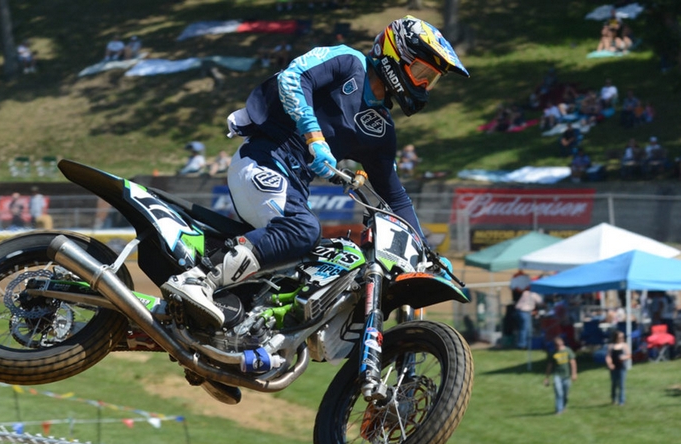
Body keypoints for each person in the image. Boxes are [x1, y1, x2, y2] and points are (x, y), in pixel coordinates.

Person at [161, 16, 466, 328]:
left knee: (336, 261)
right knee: (303, 230)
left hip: (292, 188)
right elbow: (293, 78)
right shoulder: (348, 61)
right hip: (262, 160)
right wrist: (314, 137)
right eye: (422, 73)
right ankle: (197, 281)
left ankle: (252, 326)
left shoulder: (381, 129)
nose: (424, 86)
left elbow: (395, 197)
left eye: (431, 80)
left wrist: (426, 253)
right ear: (396, 53)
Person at [544, 336, 578, 414]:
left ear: (562, 343)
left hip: (566, 375)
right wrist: (547, 377)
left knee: (565, 394)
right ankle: (558, 410)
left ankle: (564, 406)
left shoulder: (568, 351)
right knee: (559, 392)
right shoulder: (553, 353)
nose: (559, 346)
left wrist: (574, 373)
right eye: (557, 345)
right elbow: (549, 366)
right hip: (557, 375)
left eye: (560, 344)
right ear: (555, 345)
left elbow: (573, 362)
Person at [605, 330, 629, 405]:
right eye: (620, 337)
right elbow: (608, 356)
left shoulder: (624, 345)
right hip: (613, 367)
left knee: (621, 384)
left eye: (623, 337)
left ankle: (621, 401)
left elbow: (629, 355)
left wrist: (624, 357)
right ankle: (614, 398)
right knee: (614, 384)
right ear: (616, 338)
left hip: (622, 367)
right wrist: (610, 364)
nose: (622, 338)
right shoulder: (611, 346)